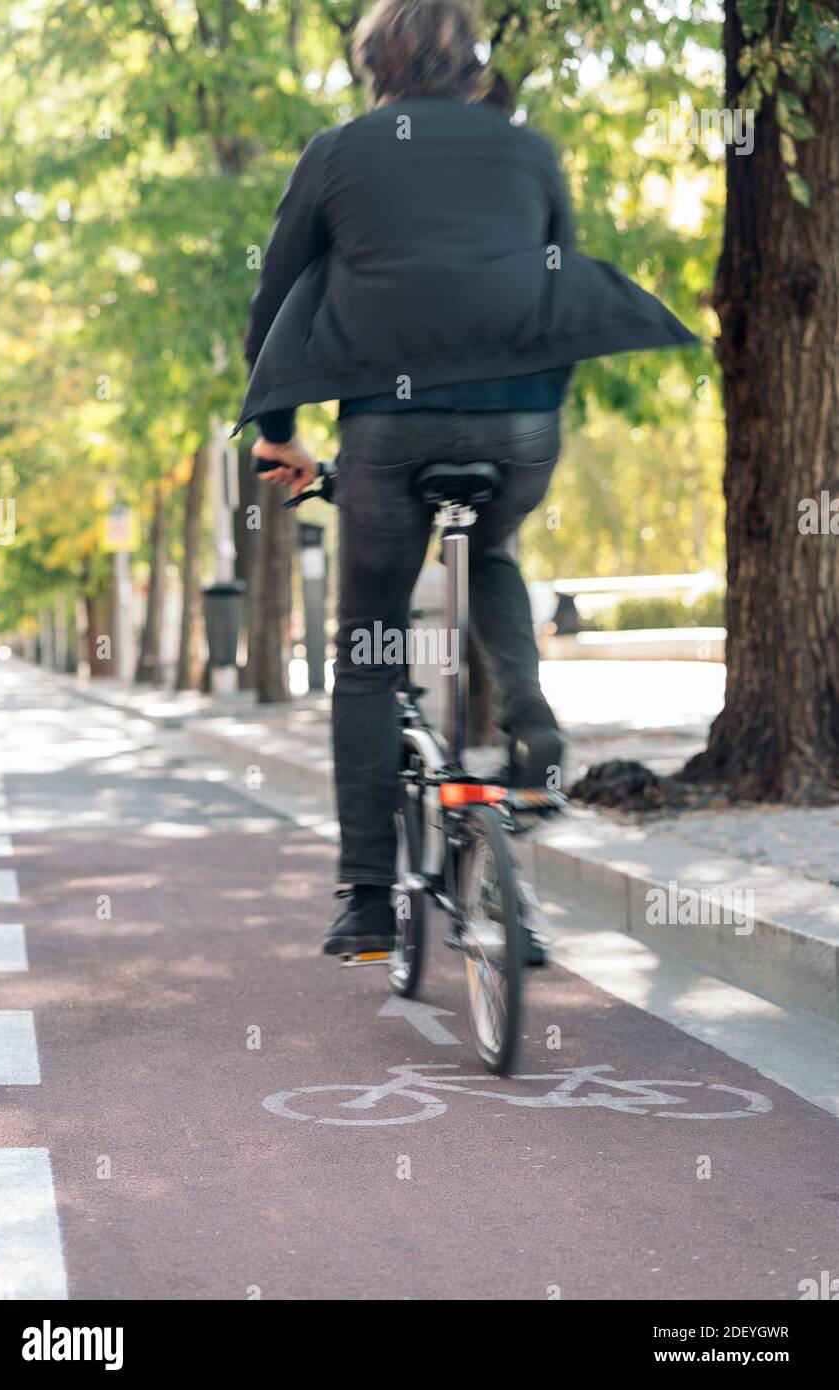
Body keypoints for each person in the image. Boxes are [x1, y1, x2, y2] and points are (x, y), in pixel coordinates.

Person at [235, 0, 697, 956]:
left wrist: (278, 435)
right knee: (490, 547)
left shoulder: (337, 151)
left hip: (390, 431)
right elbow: (561, 278)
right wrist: (535, 411)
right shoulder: (528, 152)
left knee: (367, 647)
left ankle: (366, 898)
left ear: (374, 64)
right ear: (471, 60)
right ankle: (529, 721)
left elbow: (275, 299)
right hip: (521, 422)